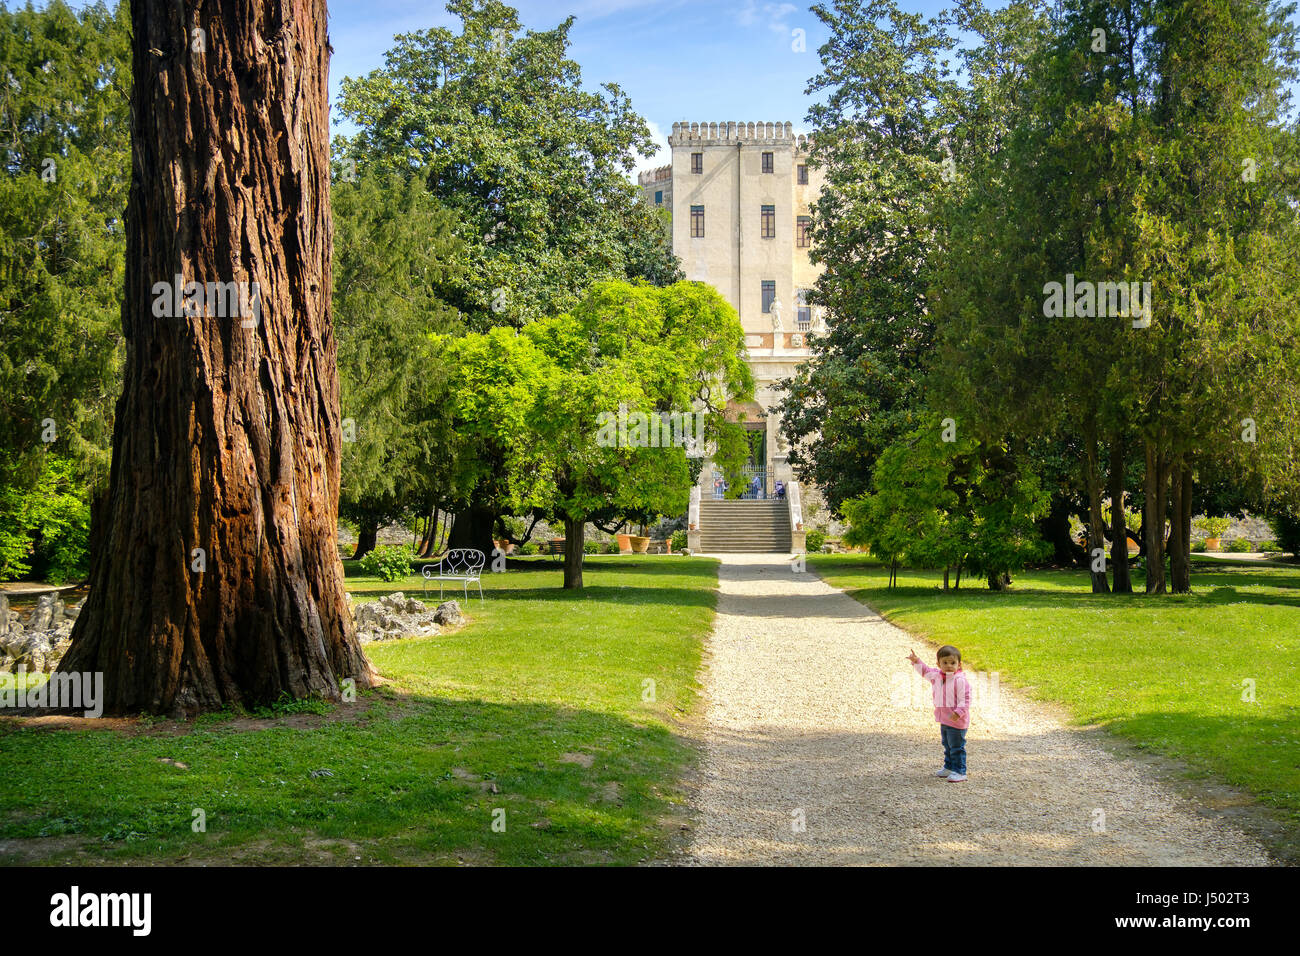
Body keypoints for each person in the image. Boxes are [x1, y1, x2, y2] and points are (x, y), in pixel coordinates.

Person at [907, 644, 971, 782]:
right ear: (939, 664)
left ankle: (960, 771)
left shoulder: (960, 680)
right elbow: (925, 671)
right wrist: (916, 661)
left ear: (959, 664)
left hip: (957, 721)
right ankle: (949, 767)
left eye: (953, 663)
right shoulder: (936, 676)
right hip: (944, 719)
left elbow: (966, 699)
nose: (949, 666)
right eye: (945, 663)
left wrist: (958, 712)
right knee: (947, 745)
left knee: (956, 747)